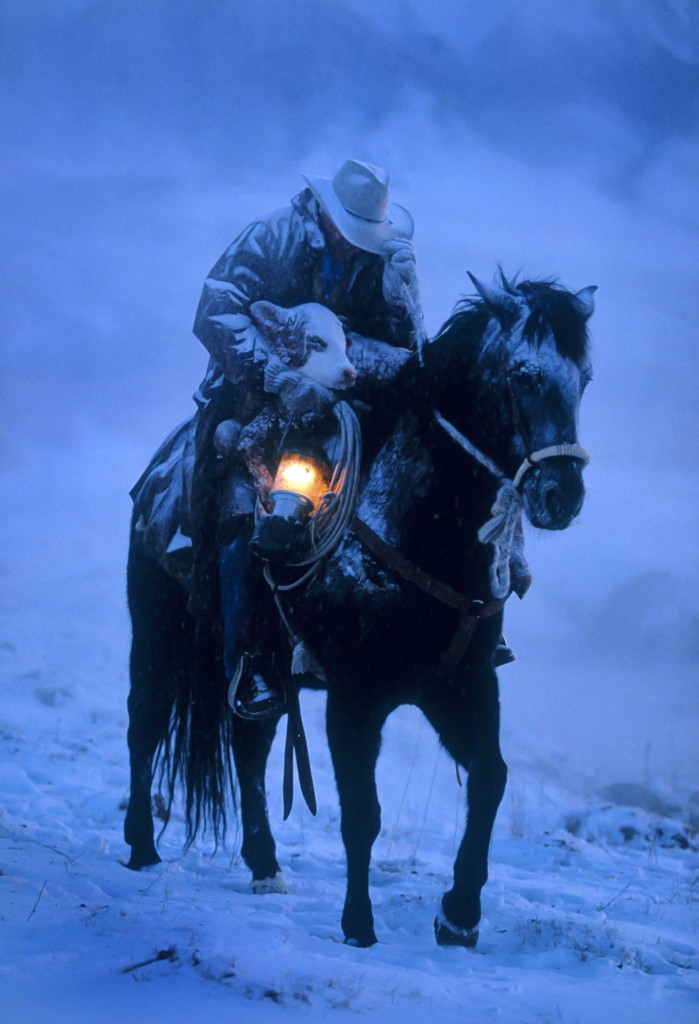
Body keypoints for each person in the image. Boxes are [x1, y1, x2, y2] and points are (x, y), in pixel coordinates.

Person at [188, 159, 426, 719]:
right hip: (250, 398)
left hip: (344, 403)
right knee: (241, 504)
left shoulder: (378, 261)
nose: (354, 245)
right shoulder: (272, 235)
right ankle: (250, 658)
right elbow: (216, 308)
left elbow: (407, 353)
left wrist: (405, 298)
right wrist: (273, 376)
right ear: (324, 212)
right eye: (350, 232)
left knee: (403, 480)